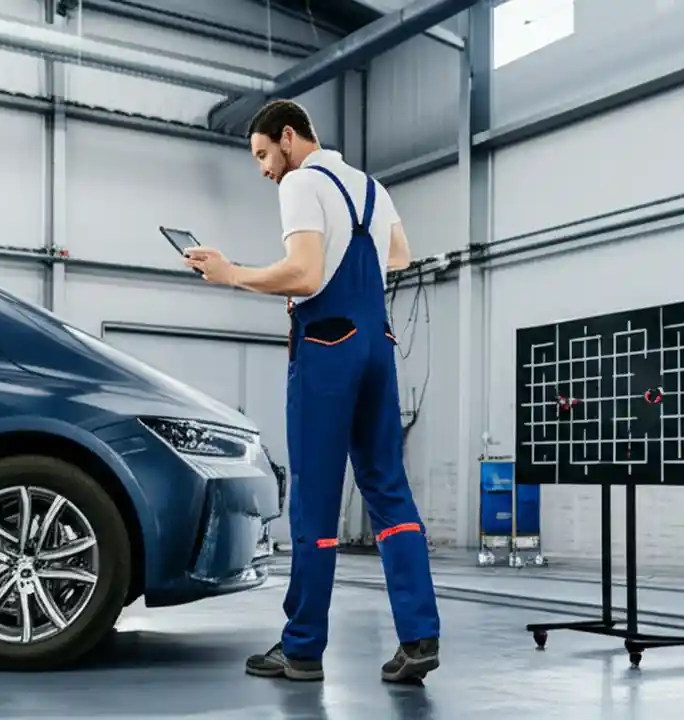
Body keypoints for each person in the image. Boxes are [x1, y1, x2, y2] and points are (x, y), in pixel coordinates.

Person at [182, 99, 442, 684]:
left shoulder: (301, 182)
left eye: (262, 154)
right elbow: (398, 254)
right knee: (389, 491)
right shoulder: (371, 188)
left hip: (327, 347)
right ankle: (420, 637)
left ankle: (302, 648)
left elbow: (303, 274)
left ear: (288, 137)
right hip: (377, 345)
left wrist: (231, 273)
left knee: (314, 499)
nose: (263, 169)